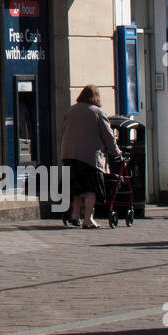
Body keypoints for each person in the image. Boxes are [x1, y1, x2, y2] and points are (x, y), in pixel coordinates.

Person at [59, 85, 122, 229]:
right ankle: (88, 219)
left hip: (69, 154)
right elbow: (108, 136)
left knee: (76, 188)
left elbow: (63, 131)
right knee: (90, 189)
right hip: (89, 157)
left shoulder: (71, 110)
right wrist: (116, 151)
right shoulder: (98, 112)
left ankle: (75, 215)